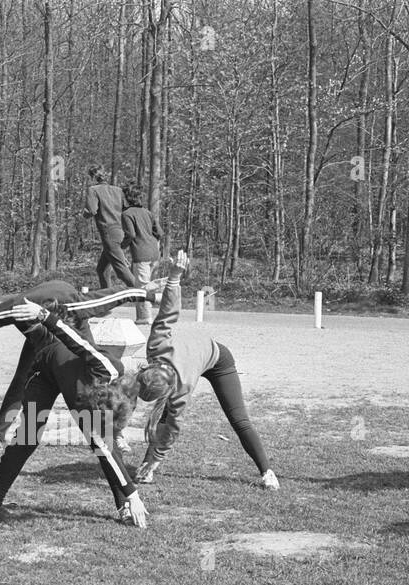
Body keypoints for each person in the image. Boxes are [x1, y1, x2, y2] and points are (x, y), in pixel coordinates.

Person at [0, 299, 148, 527]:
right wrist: (44, 315)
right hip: (45, 370)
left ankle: (123, 505)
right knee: (28, 438)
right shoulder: (104, 367)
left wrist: (132, 495)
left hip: (75, 380)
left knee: (102, 444)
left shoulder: (114, 394)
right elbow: (74, 339)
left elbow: (105, 447)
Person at [0, 283, 149, 453]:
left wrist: (151, 294)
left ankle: (114, 433)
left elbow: (119, 294)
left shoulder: (77, 305)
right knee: (21, 381)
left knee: (96, 378)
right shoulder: (17, 309)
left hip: (73, 326)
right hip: (38, 337)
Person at [134, 250, 279, 490]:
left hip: (218, 359)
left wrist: (176, 276)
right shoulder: (156, 345)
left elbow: (171, 428)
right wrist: (173, 277)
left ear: (168, 389)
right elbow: (168, 311)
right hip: (190, 359)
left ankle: (267, 472)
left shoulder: (181, 389)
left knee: (238, 419)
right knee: (164, 415)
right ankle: (148, 466)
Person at [83, 166, 137, 289]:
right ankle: (106, 301)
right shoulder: (118, 190)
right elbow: (127, 210)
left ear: (92, 177)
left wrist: (84, 214)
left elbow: (91, 210)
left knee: (121, 270)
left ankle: (144, 293)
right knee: (102, 269)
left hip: (109, 234)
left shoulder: (93, 190)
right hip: (121, 232)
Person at [120, 184, 162, 325]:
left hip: (141, 254)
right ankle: (162, 295)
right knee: (148, 284)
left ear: (127, 198)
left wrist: (121, 247)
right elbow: (159, 233)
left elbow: (130, 234)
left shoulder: (126, 214)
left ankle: (145, 317)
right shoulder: (147, 212)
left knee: (141, 287)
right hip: (155, 253)